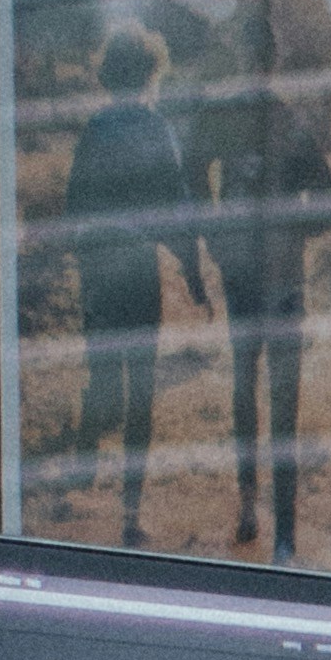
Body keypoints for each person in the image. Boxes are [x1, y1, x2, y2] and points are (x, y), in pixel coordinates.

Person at [56, 27, 203, 539]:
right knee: (140, 391)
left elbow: (72, 204)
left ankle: (70, 485)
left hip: (98, 266)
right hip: (138, 266)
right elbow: (176, 208)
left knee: (101, 378)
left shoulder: (94, 129)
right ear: (149, 73)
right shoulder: (157, 130)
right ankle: (129, 518)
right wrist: (194, 275)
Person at [190, 67, 331, 559]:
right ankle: (256, 514)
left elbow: (326, 192)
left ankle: (282, 533)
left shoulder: (280, 119)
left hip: (276, 284)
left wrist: (293, 227)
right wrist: (216, 234)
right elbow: (192, 168)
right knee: (251, 396)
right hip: (248, 283)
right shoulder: (238, 117)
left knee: (274, 404)